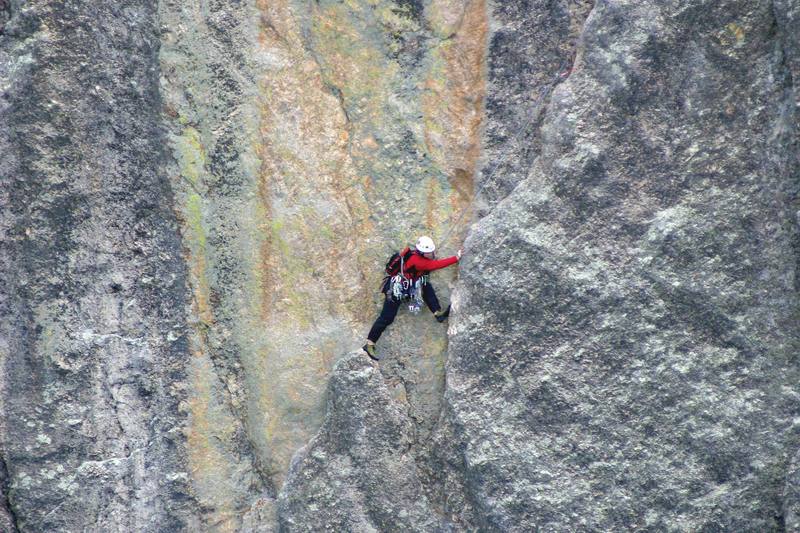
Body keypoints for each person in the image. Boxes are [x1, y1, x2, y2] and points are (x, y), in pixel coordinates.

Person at [363, 236, 462, 361]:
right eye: (429, 253)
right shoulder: (418, 261)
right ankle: (369, 344)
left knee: (425, 283)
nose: (432, 254)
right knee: (386, 318)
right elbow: (436, 265)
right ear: (422, 252)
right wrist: (456, 258)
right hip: (396, 289)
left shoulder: (416, 254)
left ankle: (438, 313)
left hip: (408, 284)